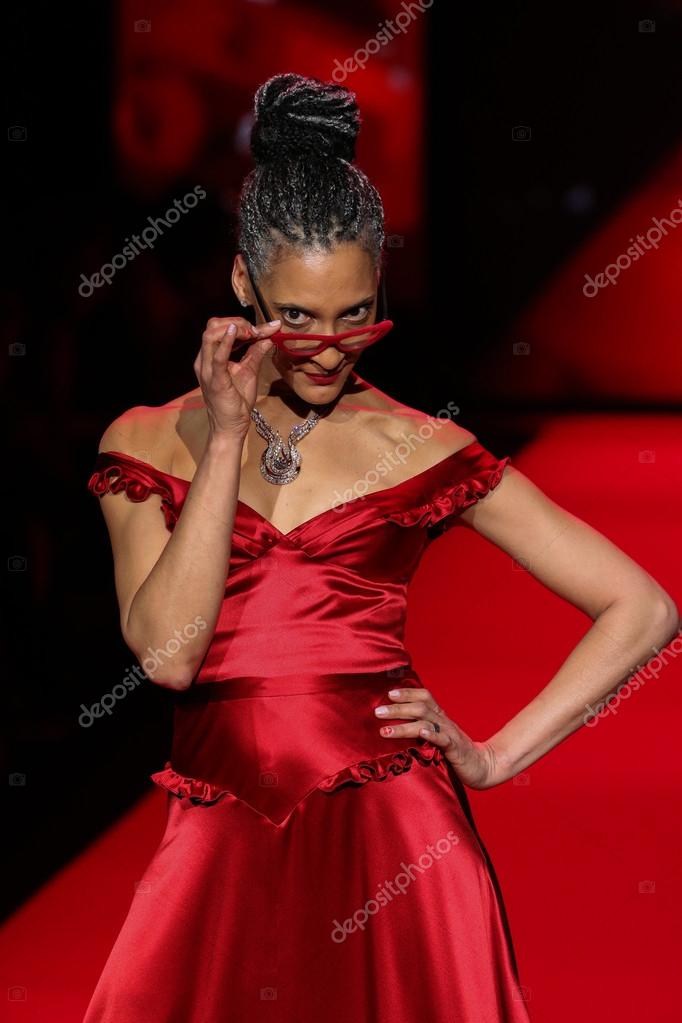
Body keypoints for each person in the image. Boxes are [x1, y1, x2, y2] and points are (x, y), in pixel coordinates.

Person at [83, 73, 679, 1023]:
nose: (330, 346)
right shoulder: (147, 442)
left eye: (358, 313)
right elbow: (167, 655)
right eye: (300, 316)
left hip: (399, 843)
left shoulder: (419, 444)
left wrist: (493, 756)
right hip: (217, 839)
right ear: (242, 284)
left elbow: (644, 605)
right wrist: (228, 437)